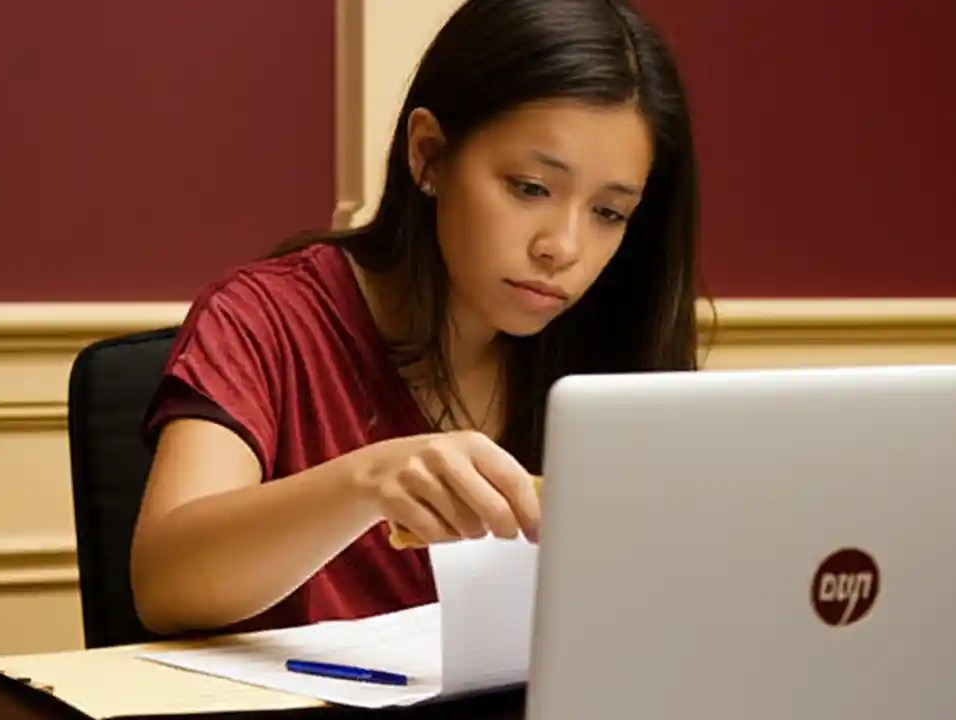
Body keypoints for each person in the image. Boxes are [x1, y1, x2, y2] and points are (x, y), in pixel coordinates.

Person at [129, 0, 701, 637]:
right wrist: (368, 482)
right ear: (428, 154)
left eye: (609, 213)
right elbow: (165, 585)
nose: (563, 248)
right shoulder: (266, 319)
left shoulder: (613, 344)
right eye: (530, 188)